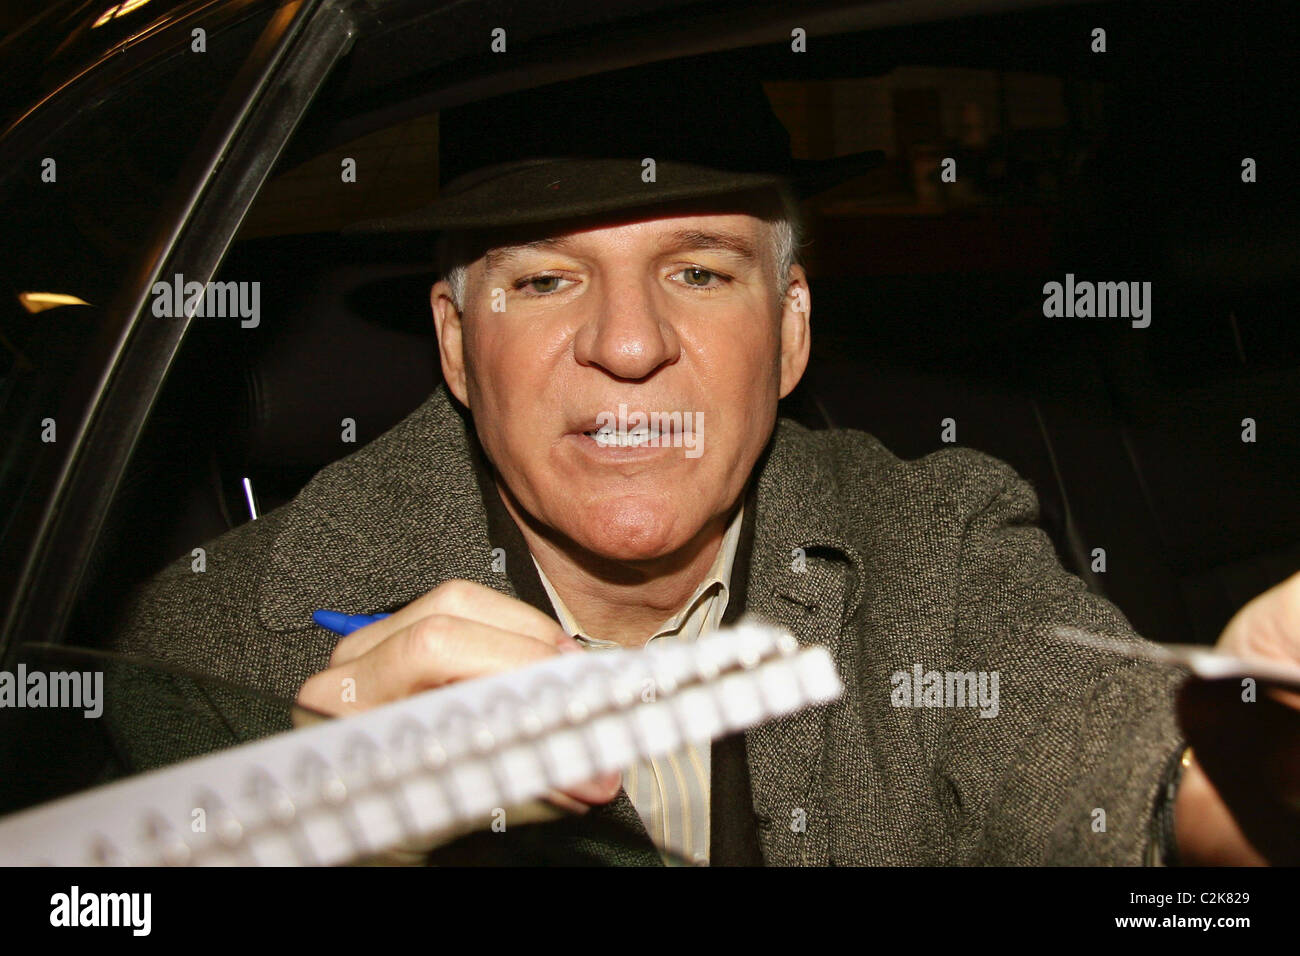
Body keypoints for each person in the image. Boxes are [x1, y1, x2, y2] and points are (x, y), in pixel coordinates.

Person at [109, 59, 1299, 866]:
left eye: (699, 270)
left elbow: (1108, 743)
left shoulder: (933, 545)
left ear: (788, 334)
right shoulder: (223, 638)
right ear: (456, 344)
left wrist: (1259, 766)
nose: (629, 345)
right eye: (541, 278)